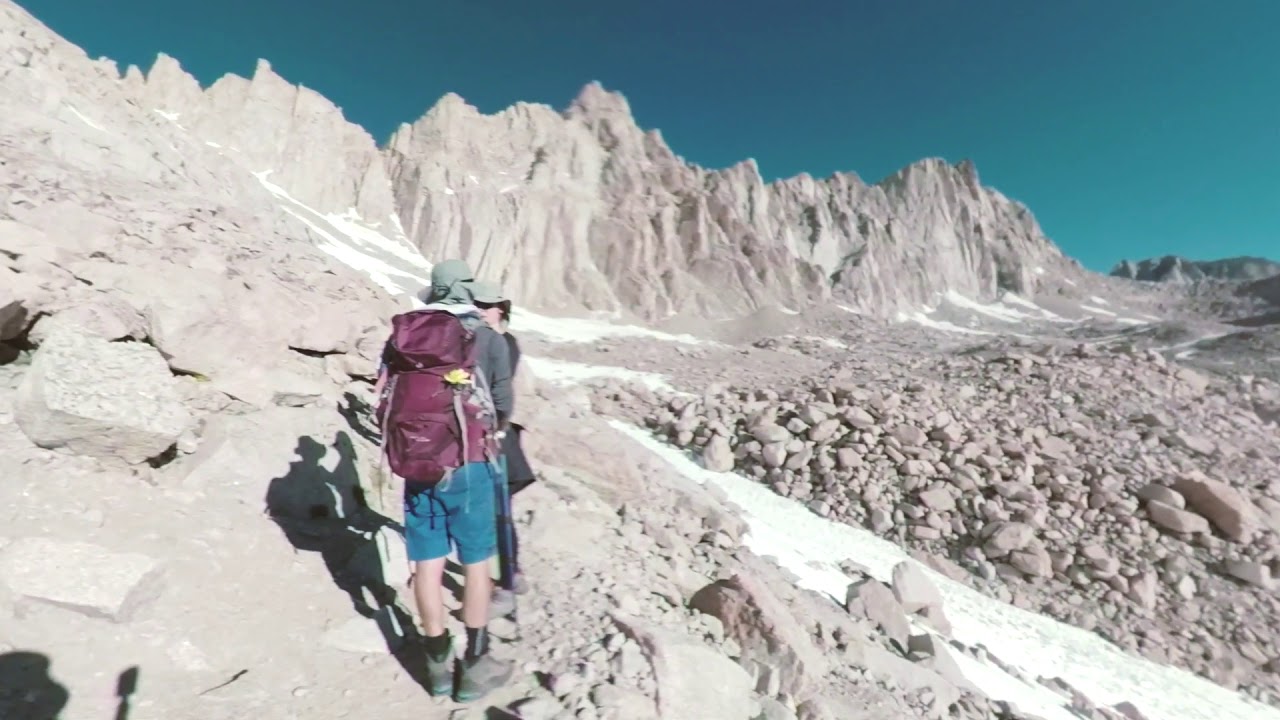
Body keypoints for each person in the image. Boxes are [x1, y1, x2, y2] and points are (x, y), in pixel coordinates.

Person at [373, 259, 514, 702]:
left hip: (416, 462)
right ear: (468, 291)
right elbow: (503, 400)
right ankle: (475, 662)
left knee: (427, 563)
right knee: (476, 564)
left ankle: (436, 662)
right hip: (469, 462)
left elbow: (381, 391)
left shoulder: (404, 335)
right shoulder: (485, 336)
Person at [470, 282, 537, 614]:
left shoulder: (502, 343)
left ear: (501, 309)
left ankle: (507, 583)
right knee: (498, 510)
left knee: (497, 511)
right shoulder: (493, 341)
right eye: (477, 304)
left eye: (488, 305)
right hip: (494, 435)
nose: (481, 309)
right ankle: (513, 574)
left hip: (495, 437)